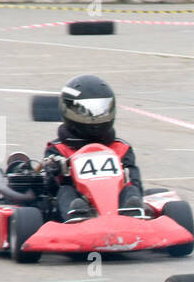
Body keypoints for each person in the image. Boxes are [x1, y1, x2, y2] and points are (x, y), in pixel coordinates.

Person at [36, 74, 144, 221]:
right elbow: (49, 191)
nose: (94, 118)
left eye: (101, 110)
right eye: (86, 111)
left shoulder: (121, 148)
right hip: (75, 207)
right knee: (65, 190)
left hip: (117, 207)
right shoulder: (58, 150)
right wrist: (56, 171)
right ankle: (77, 217)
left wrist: (132, 191)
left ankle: (133, 214)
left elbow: (136, 183)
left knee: (131, 189)